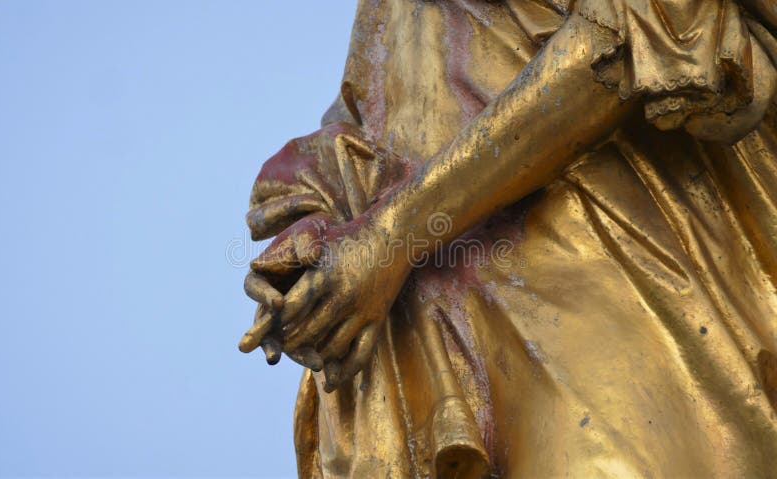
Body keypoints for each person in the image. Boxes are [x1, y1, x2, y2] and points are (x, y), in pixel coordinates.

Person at [241, 1, 777, 476]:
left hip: (622, 288)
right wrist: (320, 233)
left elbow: (625, 43)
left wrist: (389, 237)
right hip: (437, 319)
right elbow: (375, 109)